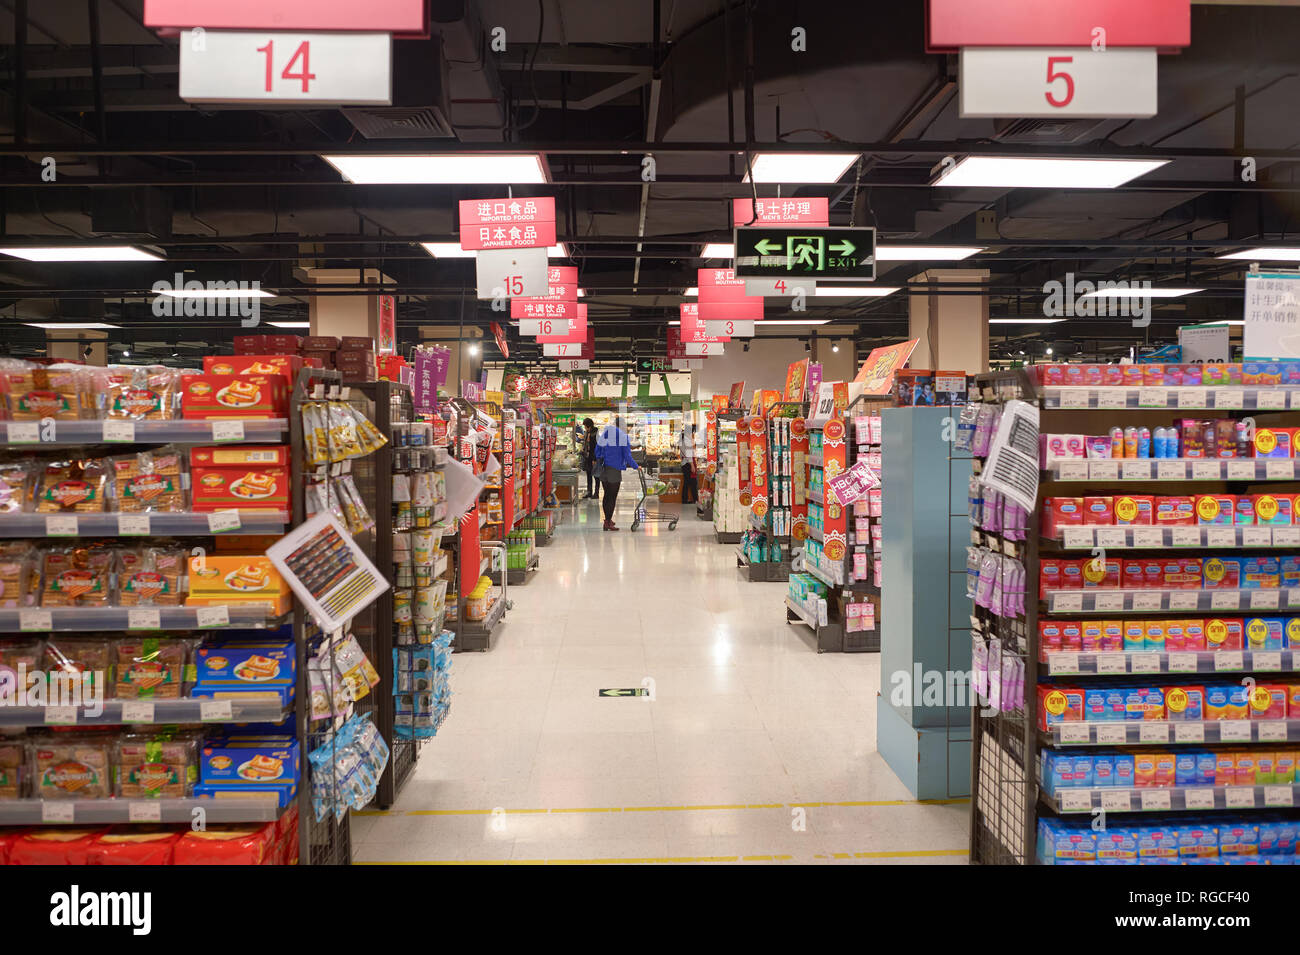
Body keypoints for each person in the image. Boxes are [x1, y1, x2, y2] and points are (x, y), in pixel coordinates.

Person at [592, 416, 639, 531]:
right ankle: (608, 522)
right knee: (612, 497)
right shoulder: (623, 437)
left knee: (606, 495)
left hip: (604, 468)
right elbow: (627, 456)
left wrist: (601, 458)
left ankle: (607, 520)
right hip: (614, 469)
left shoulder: (605, 434)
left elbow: (597, 450)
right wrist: (636, 466)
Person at [679, 423, 699, 505]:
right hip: (688, 463)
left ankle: (685, 499)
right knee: (692, 482)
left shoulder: (682, 439)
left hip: (684, 463)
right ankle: (695, 499)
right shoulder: (687, 440)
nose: (693, 434)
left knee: (687, 483)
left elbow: (682, 453)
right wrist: (692, 465)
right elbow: (689, 454)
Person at [580, 418, 600, 500]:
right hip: (587, 457)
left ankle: (596, 493)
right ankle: (589, 492)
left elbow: (597, 446)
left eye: (585, 426)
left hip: (594, 457)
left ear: (588, 426)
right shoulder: (587, 432)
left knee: (596, 475)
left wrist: (595, 459)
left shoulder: (596, 433)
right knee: (588, 475)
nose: (584, 427)